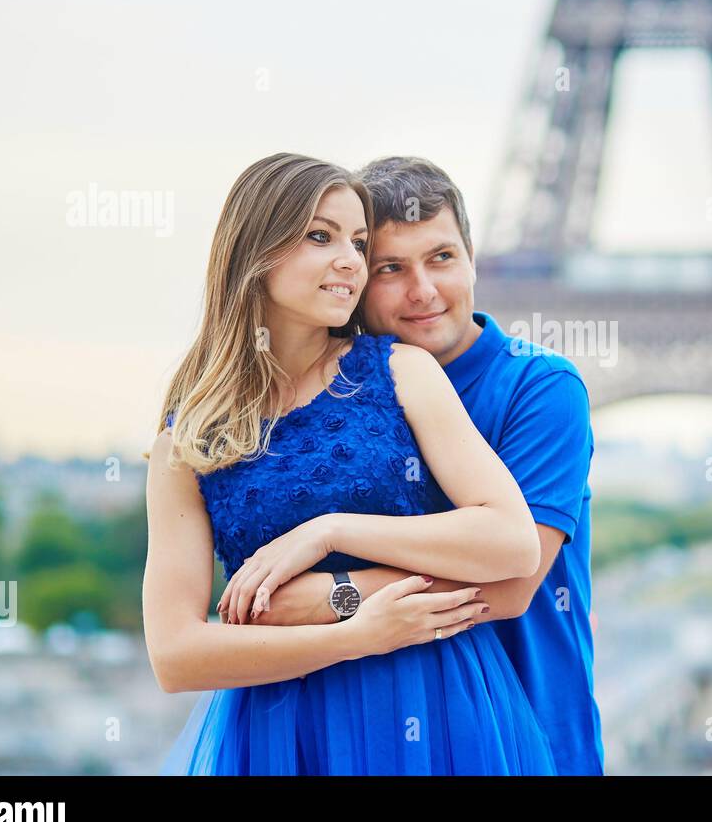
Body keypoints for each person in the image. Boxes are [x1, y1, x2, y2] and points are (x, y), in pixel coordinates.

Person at [144, 152, 556, 774]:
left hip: (433, 704)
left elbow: (512, 542)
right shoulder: (191, 435)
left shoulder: (400, 370)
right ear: (254, 253)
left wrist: (329, 532)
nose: (350, 261)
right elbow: (175, 654)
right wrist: (352, 636)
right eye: (320, 236)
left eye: (359, 243)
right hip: (284, 731)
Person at [237, 156, 604, 775]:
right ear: (354, 279)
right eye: (391, 269)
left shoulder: (540, 388)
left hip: (528, 735)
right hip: (373, 740)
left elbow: (509, 585)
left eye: (442, 258)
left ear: (472, 259)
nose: (424, 290)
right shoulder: (333, 400)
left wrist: (329, 588)